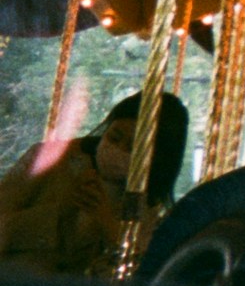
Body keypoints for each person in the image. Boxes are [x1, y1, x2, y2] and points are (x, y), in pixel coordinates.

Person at [0, 91, 188, 274]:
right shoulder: (50, 161)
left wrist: (108, 225)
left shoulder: (145, 205)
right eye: (114, 137)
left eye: (132, 149)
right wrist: (59, 211)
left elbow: (135, 280)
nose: (117, 149)